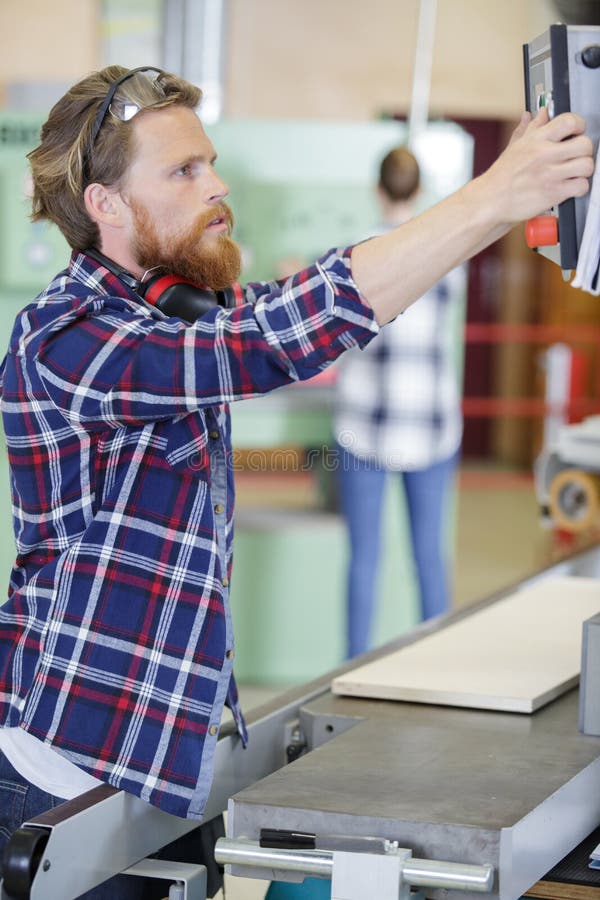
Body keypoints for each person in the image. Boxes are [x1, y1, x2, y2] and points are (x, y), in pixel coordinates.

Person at [0, 64, 593, 898]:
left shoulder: (162, 310)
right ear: (104, 204)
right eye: (184, 171)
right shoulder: (68, 336)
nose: (218, 183)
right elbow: (273, 336)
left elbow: (272, 313)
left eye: (209, 161)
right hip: (71, 772)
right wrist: (496, 196)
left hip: (165, 756)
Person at [334, 145, 464, 659]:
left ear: (377, 189)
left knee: (364, 558)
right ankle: (436, 668)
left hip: (363, 427)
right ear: (420, 190)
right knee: (429, 557)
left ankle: (348, 672)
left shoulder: (352, 255)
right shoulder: (446, 257)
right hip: (430, 427)